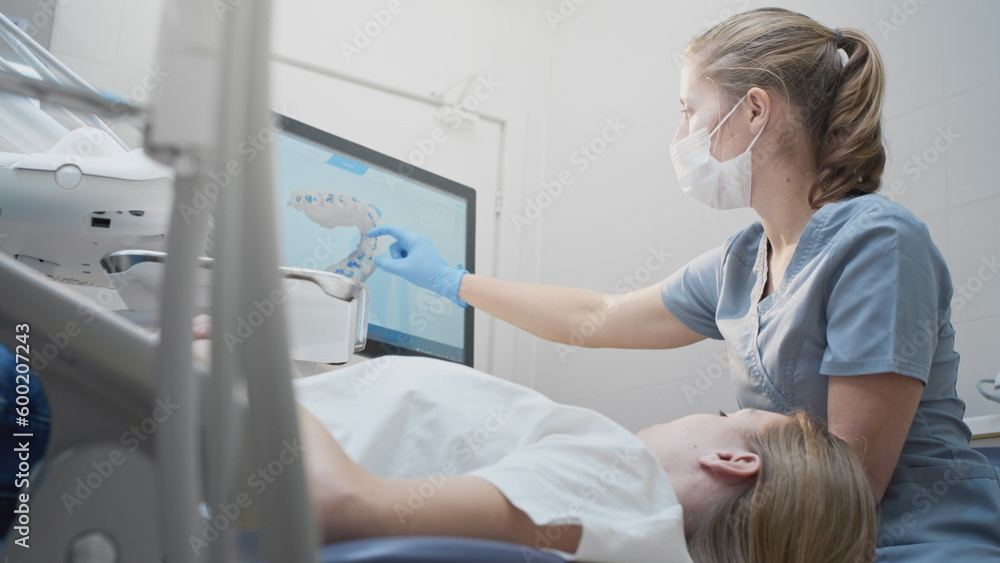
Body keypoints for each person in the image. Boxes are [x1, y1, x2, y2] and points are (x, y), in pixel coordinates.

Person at [366, 7, 1000, 561]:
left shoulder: (877, 241)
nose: (680, 137)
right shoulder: (741, 262)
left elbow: (851, 490)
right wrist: (453, 280)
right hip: (795, 543)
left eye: (689, 110)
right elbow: (598, 315)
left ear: (755, 109)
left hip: (912, 541)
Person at [292, 354, 876, 562]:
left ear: (730, 458)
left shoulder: (624, 484)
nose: (701, 416)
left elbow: (343, 507)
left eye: (727, 417)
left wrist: (246, 376)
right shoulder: (636, 530)